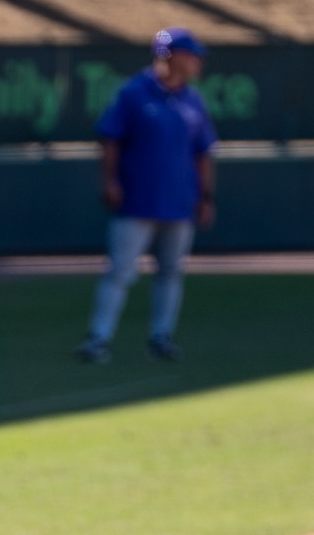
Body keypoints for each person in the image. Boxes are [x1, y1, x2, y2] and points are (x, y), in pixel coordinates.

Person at [77, 27, 218, 365]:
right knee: (121, 271)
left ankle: (161, 336)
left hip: (179, 202)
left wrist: (206, 196)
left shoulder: (192, 100)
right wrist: (110, 181)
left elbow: (204, 152)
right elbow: (110, 139)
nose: (197, 61)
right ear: (170, 55)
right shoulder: (134, 93)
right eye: (190, 53)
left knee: (171, 272)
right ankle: (98, 338)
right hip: (137, 201)